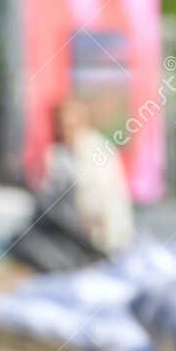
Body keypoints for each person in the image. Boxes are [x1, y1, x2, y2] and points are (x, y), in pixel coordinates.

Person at [46, 98, 134, 255]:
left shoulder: (97, 150)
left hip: (102, 237)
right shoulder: (58, 154)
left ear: (83, 123)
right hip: (74, 237)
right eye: (60, 126)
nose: (64, 132)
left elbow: (97, 201)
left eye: (70, 127)